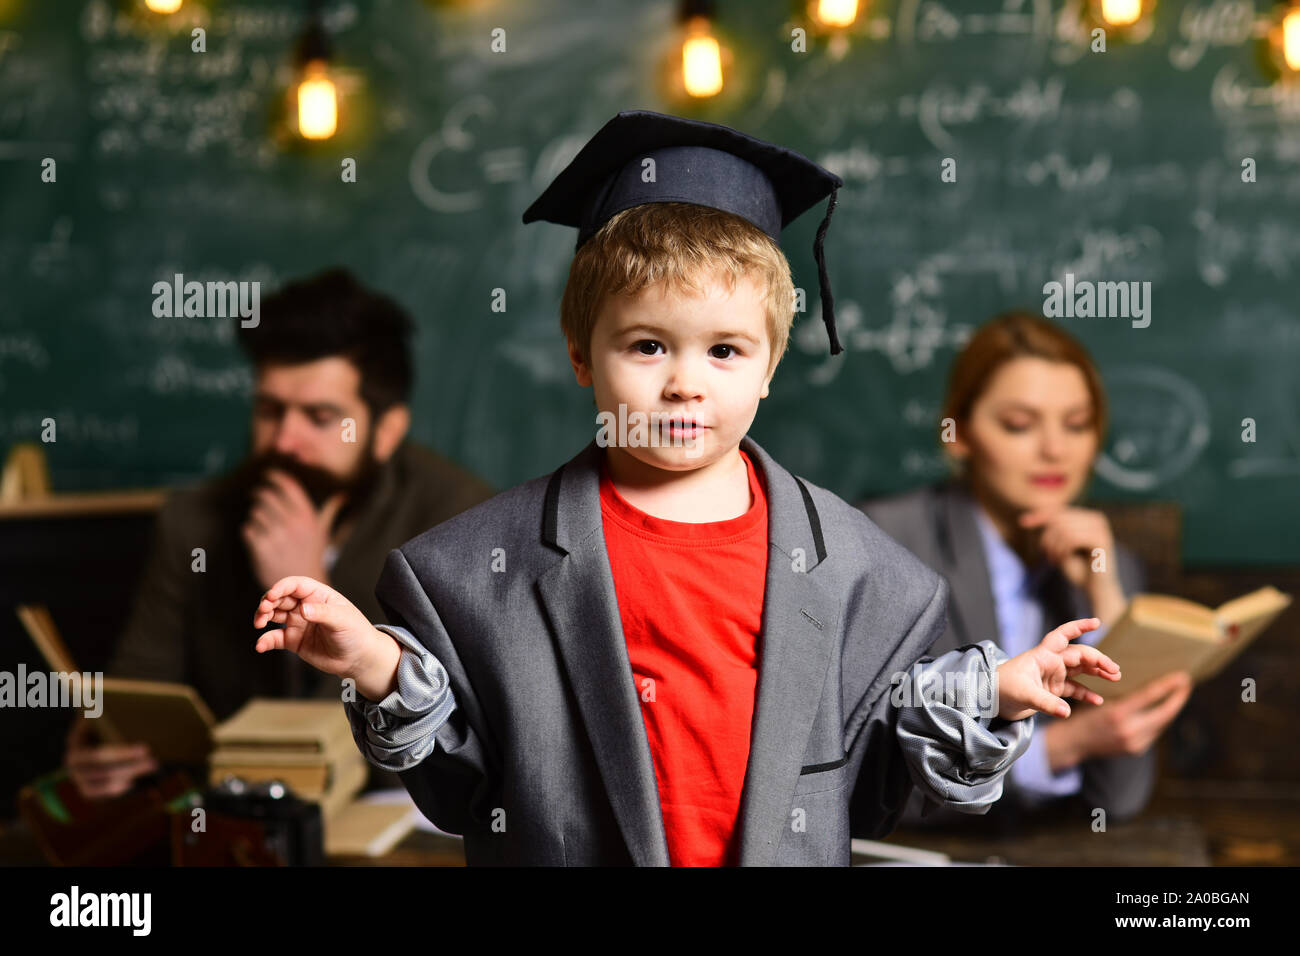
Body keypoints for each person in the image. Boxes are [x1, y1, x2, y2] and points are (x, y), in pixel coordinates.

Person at [251, 111, 1122, 866]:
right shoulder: (475, 570)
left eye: (725, 350)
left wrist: (997, 690)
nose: (685, 384)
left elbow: (888, 755)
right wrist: (371, 661)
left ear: (772, 364)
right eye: (647, 346)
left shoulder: (859, 567)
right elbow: (457, 776)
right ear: (580, 352)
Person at [65, 267, 495, 800]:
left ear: (385, 433)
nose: (284, 442)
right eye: (270, 411)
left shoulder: (462, 522)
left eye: (319, 417)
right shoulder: (195, 523)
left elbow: (455, 748)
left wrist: (310, 590)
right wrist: (102, 745)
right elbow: (141, 693)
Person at [860, 311, 1193, 829]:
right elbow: (867, 777)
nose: (1055, 450)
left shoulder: (1111, 562)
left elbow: (1119, 797)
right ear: (959, 433)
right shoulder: (884, 540)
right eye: (1019, 424)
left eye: (1077, 425)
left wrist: (1107, 602)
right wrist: (1057, 749)